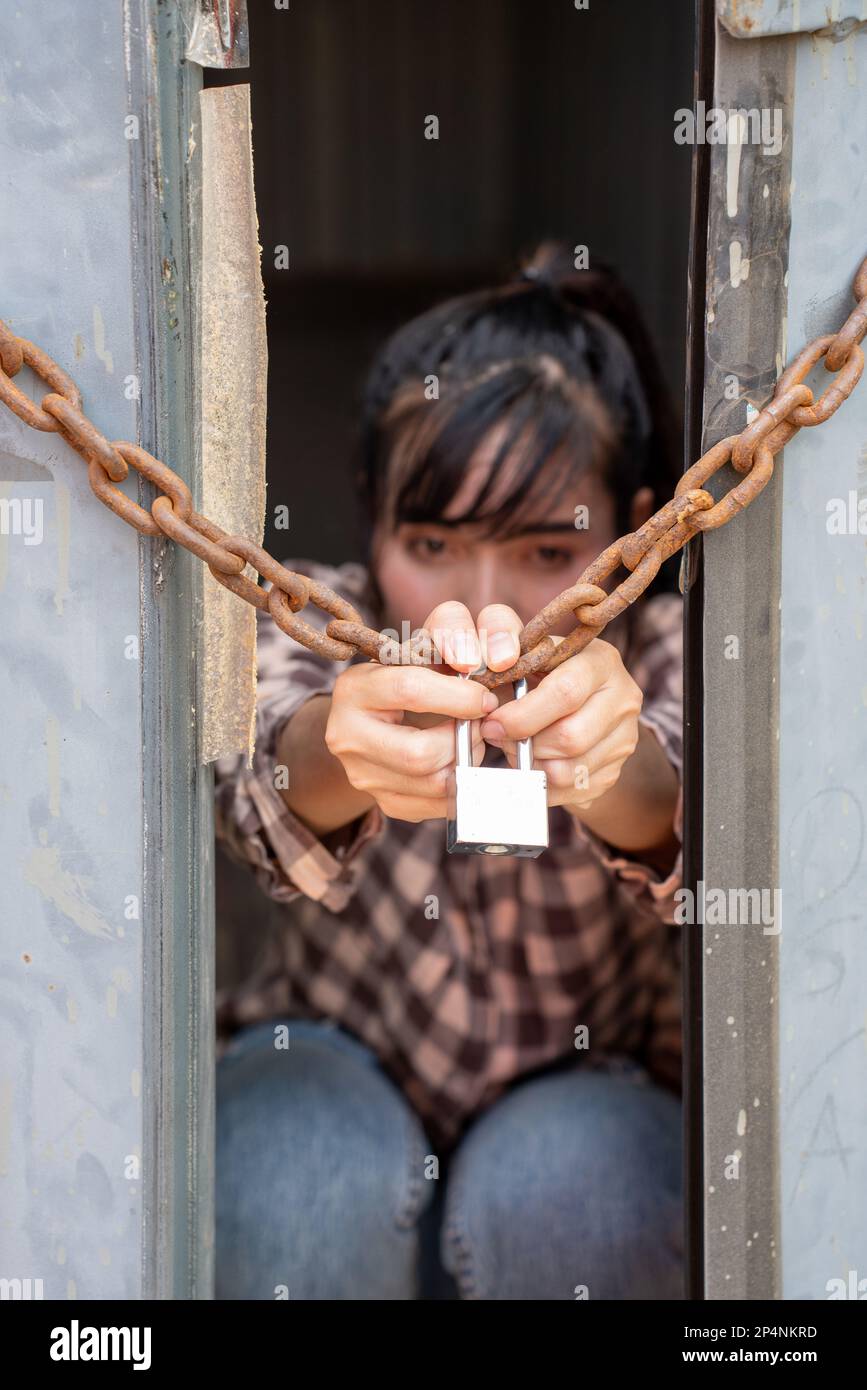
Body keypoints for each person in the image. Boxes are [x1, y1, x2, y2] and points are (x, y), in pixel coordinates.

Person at [212, 240, 685, 1300]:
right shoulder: (319, 618)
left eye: (547, 552)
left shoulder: (665, 647)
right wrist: (341, 747)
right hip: (329, 1047)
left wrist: (613, 763)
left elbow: (689, 815)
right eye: (431, 545)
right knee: (298, 1168)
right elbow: (257, 791)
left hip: (592, 1072)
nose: (487, 607)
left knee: (584, 1188)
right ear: (372, 526)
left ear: (633, 531)